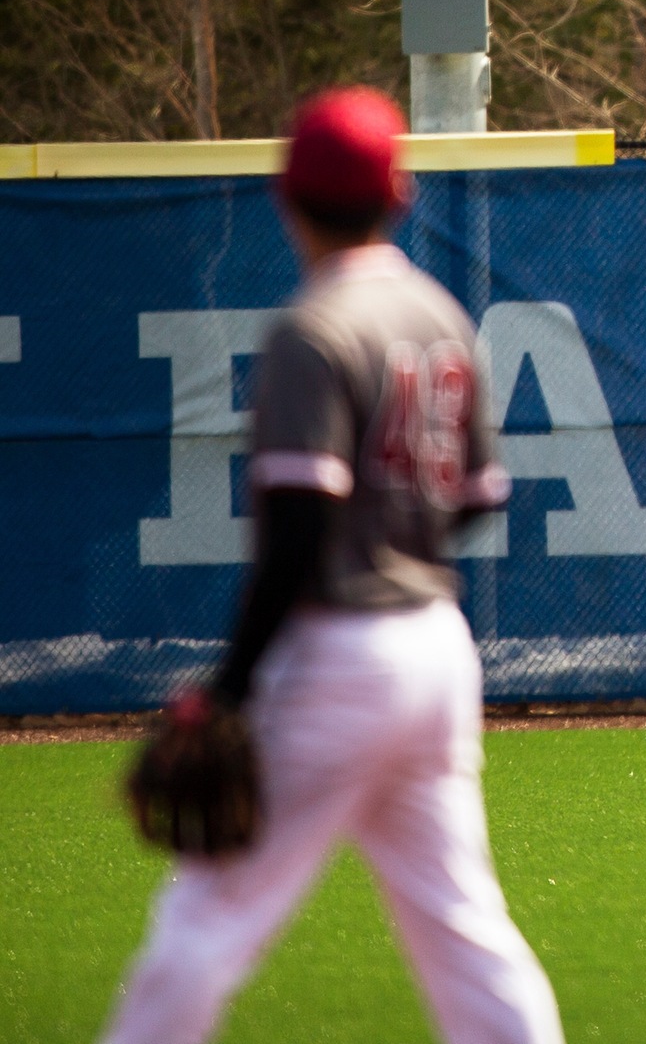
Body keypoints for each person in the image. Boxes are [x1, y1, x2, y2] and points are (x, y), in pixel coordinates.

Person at [100, 87, 564, 1044]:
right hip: (437, 646)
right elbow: (479, 496)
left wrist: (224, 691)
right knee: (463, 925)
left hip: (338, 650)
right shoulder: (440, 315)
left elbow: (298, 538)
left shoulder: (315, 330)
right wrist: (398, 535)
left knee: (209, 913)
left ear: (289, 200)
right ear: (396, 196)